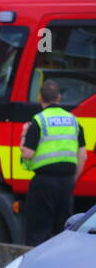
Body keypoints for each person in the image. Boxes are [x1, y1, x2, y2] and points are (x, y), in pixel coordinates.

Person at [21, 79, 88, 245]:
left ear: (40, 99)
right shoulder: (73, 120)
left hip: (43, 182)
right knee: (64, 230)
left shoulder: (39, 120)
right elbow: (83, 156)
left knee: (38, 232)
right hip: (66, 182)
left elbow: (28, 154)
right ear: (59, 98)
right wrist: (72, 179)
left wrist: (23, 136)